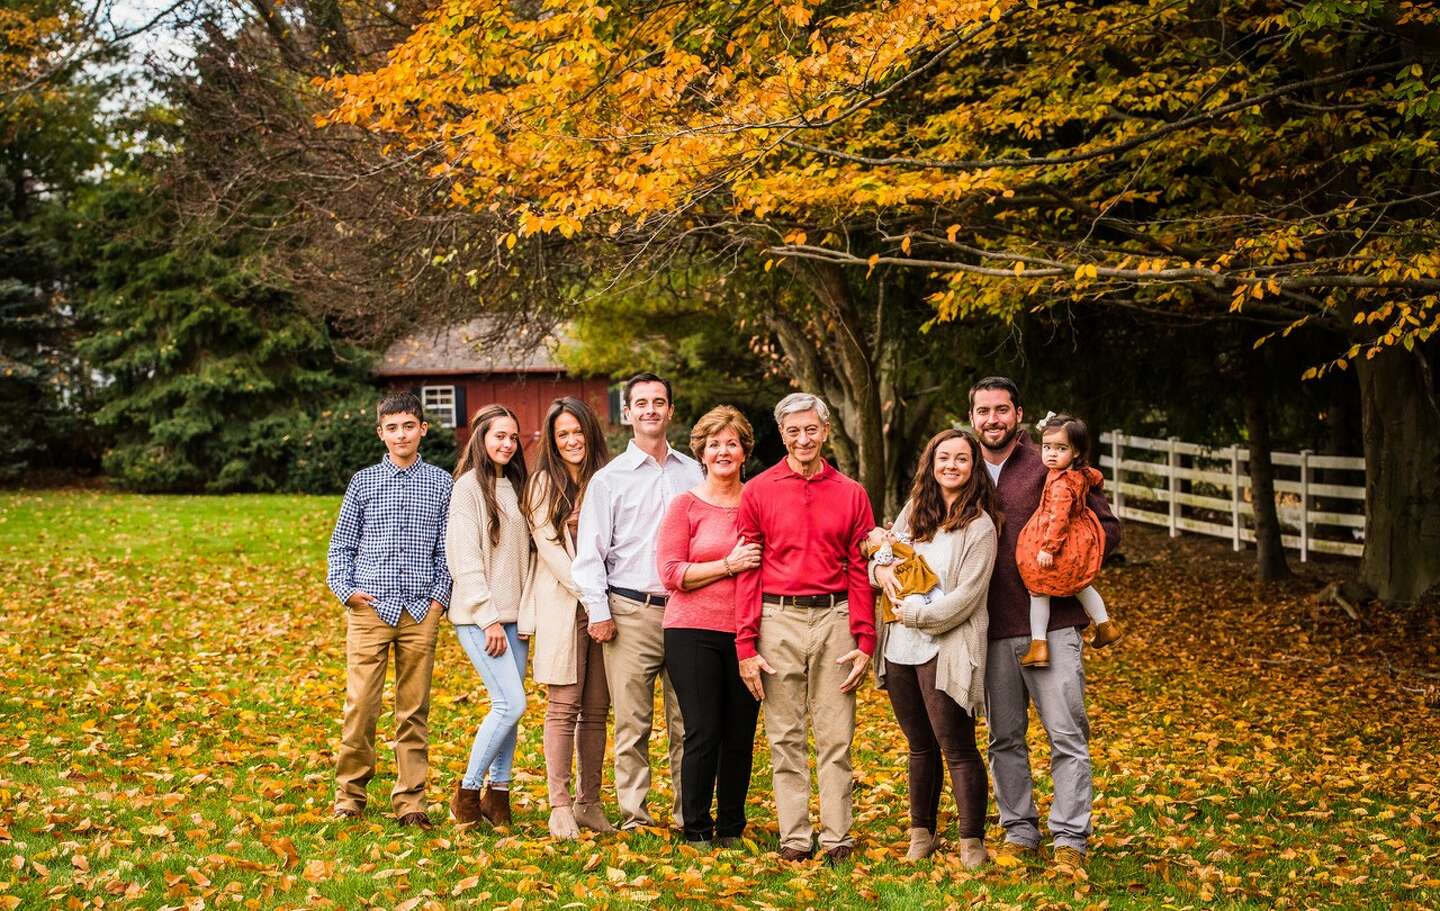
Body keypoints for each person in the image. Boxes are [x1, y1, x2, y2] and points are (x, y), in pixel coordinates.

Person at [968, 376, 1120, 871]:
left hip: (1052, 625)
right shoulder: (962, 466)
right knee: (1004, 738)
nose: (992, 419)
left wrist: (1067, 557)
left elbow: (1107, 528)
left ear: (1018, 414)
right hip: (990, 627)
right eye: (983, 410)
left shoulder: (1052, 462)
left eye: (1002, 409)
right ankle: (1019, 830)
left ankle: (1070, 838)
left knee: (1066, 735)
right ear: (972, 417)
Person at [735, 392, 876, 864]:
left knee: (837, 736)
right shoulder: (757, 490)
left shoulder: (851, 493)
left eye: (811, 429)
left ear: (825, 431)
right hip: (777, 619)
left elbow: (860, 569)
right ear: (782, 434)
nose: (802, 439)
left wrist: (865, 638)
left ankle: (837, 837)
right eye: (793, 431)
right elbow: (748, 570)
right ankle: (795, 837)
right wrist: (746, 643)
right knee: (785, 735)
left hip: (835, 619)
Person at [572, 373, 703, 830]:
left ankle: (688, 813)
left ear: (671, 411)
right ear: (627, 413)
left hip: (688, 609)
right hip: (630, 611)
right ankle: (636, 815)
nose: (651, 409)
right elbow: (590, 554)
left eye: (659, 402)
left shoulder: (694, 473)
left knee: (688, 720)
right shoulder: (609, 480)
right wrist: (599, 612)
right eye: (641, 403)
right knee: (633, 722)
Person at [869, 429, 998, 867]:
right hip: (899, 647)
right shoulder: (913, 512)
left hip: (946, 647)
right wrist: (879, 573)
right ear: (932, 462)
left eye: (961, 458)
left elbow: (969, 596)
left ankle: (971, 842)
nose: (951, 466)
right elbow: (882, 559)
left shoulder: (979, 526)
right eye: (944, 457)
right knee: (919, 745)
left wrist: (918, 616)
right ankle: (920, 834)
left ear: (973, 467)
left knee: (956, 745)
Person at [326, 392, 453, 829]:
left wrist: (438, 601)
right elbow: (341, 546)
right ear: (381, 433)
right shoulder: (363, 482)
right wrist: (348, 592)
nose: (401, 435)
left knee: (413, 710)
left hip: (420, 612)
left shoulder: (441, 484)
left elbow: (446, 550)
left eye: (409, 426)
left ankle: (410, 801)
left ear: (423, 429)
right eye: (392, 428)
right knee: (361, 706)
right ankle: (349, 796)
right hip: (370, 609)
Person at [655, 406, 764, 848]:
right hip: (691, 631)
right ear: (701, 452)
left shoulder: (758, 503)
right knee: (702, 731)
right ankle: (696, 828)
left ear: (744, 452)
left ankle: (731, 828)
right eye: (714, 444)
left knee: (740, 734)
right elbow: (670, 573)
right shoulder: (685, 505)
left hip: (747, 632)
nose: (723, 451)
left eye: (731, 443)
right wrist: (728, 565)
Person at [518, 397, 616, 839]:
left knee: (596, 709)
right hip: (566, 605)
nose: (572, 440)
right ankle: (558, 805)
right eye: (563, 435)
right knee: (563, 706)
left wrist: (605, 602)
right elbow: (551, 551)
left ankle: (588, 802)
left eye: (578, 432)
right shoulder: (543, 484)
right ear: (553, 442)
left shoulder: (607, 479)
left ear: (590, 433)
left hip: (608, 607)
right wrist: (592, 596)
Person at [445, 404, 532, 828]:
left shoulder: (517, 485)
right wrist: (488, 618)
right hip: (482, 618)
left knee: (511, 710)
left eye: (513, 437)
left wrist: (522, 616)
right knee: (510, 703)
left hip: (516, 617)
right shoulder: (467, 489)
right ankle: (466, 792)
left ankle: (498, 797)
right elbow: (464, 558)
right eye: (499, 435)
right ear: (481, 437)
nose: (508, 444)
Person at [1016, 413, 1123, 668]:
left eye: (1061, 448)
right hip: (1079, 540)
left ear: (1075, 452)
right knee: (1081, 585)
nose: (1051, 454)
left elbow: (1059, 518)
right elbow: (1095, 476)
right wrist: (1095, 477)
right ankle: (1105, 625)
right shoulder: (1080, 473)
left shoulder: (1061, 484)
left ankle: (1039, 645)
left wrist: (1048, 548)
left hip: (1060, 544)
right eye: (1047, 447)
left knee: (1038, 591)